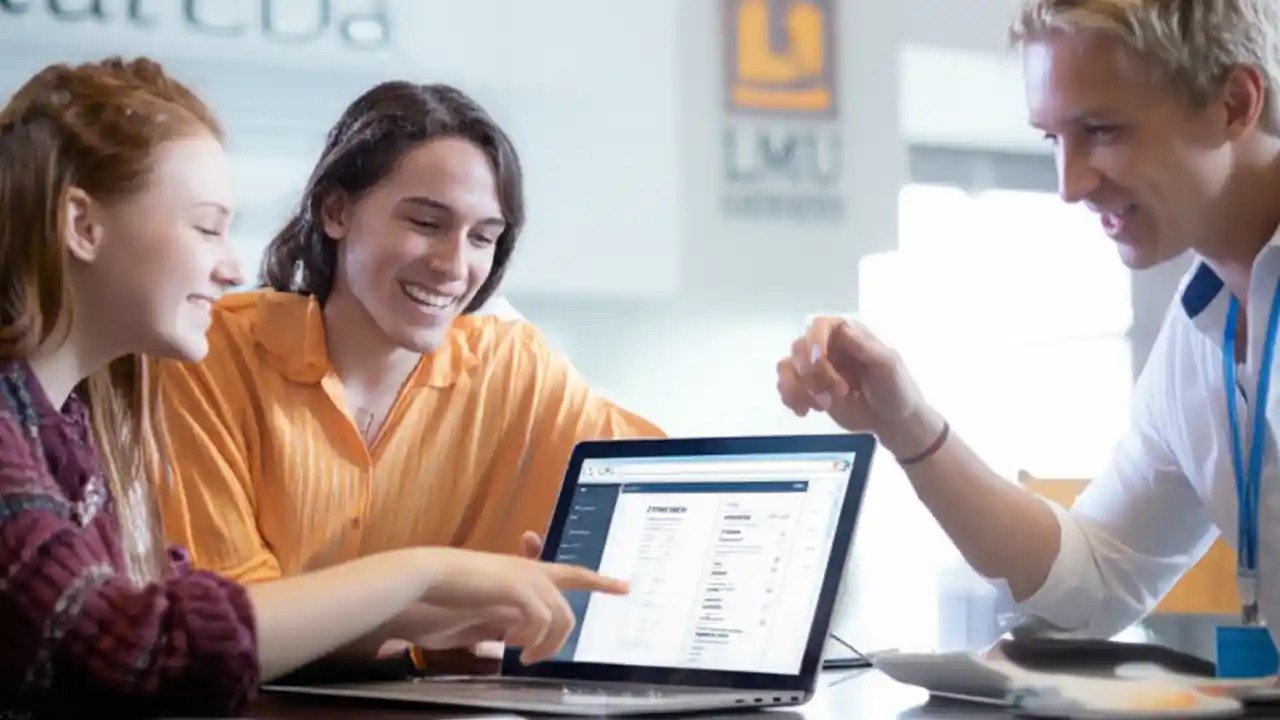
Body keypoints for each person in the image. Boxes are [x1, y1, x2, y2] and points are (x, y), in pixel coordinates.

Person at [0, 56, 627, 717]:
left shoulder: (68, 427)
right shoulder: (67, 413)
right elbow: (138, 641)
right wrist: (426, 575)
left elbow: (170, 606)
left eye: (483, 238)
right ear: (83, 226)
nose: (231, 265)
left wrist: (427, 624)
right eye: (207, 226)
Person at [779, 0, 1280, 648]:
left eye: (1102, 130)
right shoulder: (1201, 330)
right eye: (1052, 140)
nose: (1069, 185)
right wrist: (904, 424)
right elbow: (1096, 579)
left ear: (1234, 104)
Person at [152, 81, 662, 662]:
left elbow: (671, 488)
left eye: (482, 238)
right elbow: (235, 625)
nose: (454, 265)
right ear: (337, 211)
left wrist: (794, 389)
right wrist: (431, 612)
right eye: (425, 223)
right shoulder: (206, 356)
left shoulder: (514, 366)